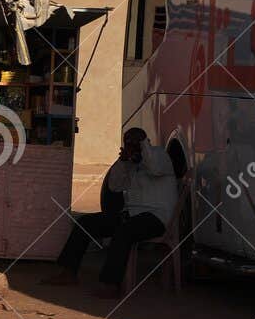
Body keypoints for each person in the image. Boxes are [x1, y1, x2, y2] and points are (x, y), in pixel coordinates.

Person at [45, 127, 177, 297]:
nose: (130, 145)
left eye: (134, 141)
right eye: (127, 142)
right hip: (131, 214)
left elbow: (155, 168)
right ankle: (68, 273)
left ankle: (110, 284)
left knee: (124, 232)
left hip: (157, 218)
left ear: (144, 141)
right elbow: (114, 185)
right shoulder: (131, 164)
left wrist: (143, 147)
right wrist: (124, 161)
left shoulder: (159, 155)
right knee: (86, 223)